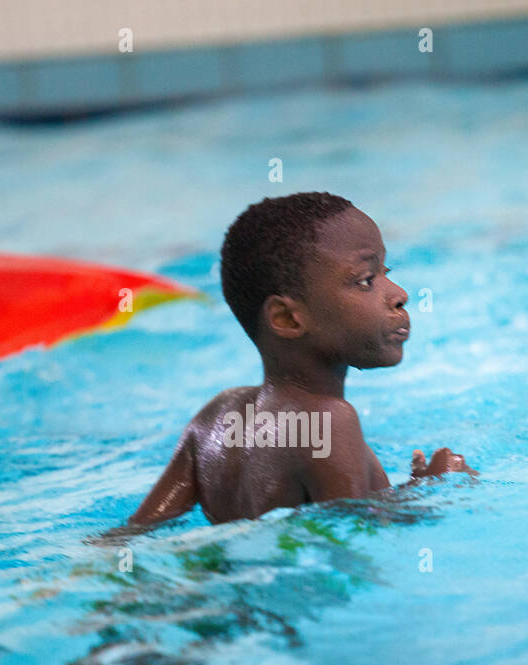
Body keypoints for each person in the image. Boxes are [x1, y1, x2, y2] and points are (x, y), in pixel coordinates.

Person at [130, 191, 475, 527]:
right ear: (287, 319)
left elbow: (133, 532)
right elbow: (361, 536)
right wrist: (435, 489)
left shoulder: (215, 419)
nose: (399, 294)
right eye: (367, 280)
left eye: (387, 272)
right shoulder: (330, 421)